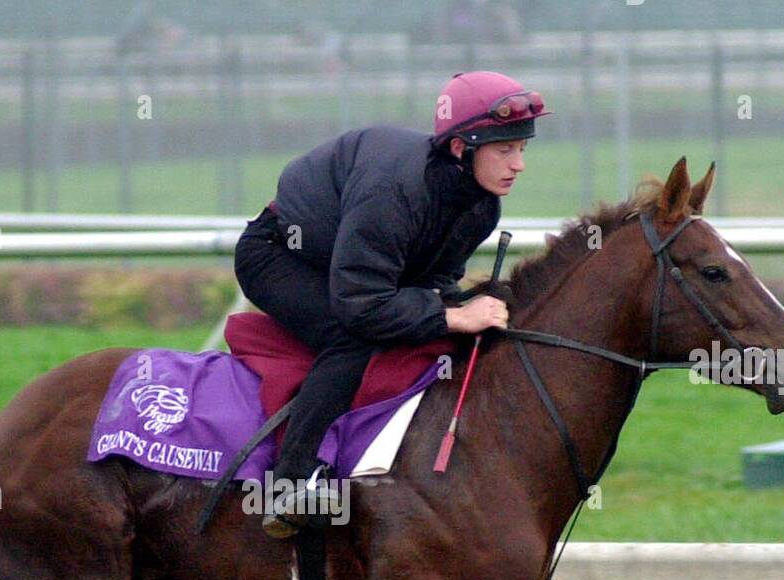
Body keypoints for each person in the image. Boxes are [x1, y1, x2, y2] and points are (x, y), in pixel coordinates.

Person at [233, 70, 550, 538]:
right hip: (278, 256)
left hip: (347, 262)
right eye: (505, 150)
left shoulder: (482, 205)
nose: (518, 164)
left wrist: (459, 305)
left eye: (522, 148)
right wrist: (452, 314)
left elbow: (432, 281)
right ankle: (290, 482)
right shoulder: (394, 193)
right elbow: (360, 303)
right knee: (353, 337)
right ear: (462, 150)